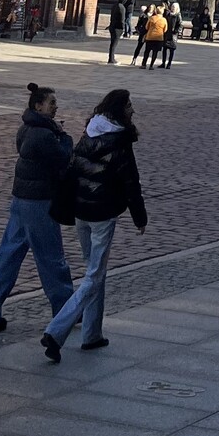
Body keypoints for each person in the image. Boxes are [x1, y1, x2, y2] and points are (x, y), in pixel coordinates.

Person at [42, 88, 147, 362]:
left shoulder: (91, 131)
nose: (132, 110)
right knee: (94, 276)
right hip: (101, 215)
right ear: (119, 110)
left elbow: (72, 169)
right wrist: (140, 217)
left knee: (94, 272)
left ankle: (92, 334)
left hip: (81, 212)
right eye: (129, 106)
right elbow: (130, 182)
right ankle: (56, 330)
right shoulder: (120, 141)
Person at [0, 84, 75, 333]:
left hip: (21, 200)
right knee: (52, 259)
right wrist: (64, 136)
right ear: (38, 106)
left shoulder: (27, 128)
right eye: (51, 102)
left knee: (7, 257)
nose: (55, 106)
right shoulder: (44, 134)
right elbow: (64, 157)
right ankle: (66, 312)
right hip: (40, 202)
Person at [140, 4, 168, 68]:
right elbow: (165, 29)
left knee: (147, 51)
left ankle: (144, 64)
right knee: (155, 52)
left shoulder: (152, 18)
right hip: (159, 38)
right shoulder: (164, 20)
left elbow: (147, 27)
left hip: (150, 37)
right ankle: (151, 65)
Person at [162, 0, 181, 68]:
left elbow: (180, 25)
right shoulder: (168, 14)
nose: (172, 8)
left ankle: (169, 63)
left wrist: (176, 31)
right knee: (164, 49)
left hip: (173, 35)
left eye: (174, 7)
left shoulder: (177, 16)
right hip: (166, 33)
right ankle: (163, 63)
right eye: (172, 6)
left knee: (171, 49)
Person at [106, 0, 124, 66]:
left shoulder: (114, 6)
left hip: (112, 26)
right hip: (118, 28)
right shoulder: (122, 7)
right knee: (114, 44)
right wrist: (123, 28)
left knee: (112, 44)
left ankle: (111, 58)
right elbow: (122, 20)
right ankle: (111, 59)